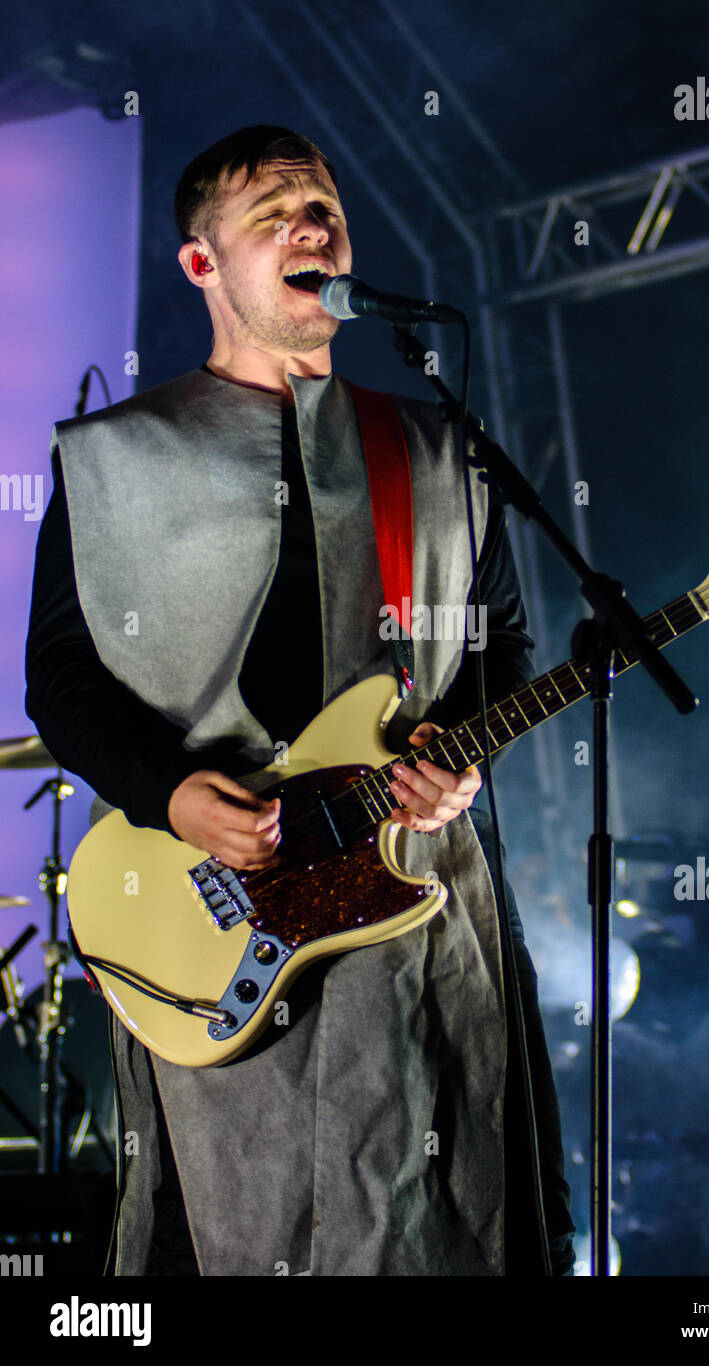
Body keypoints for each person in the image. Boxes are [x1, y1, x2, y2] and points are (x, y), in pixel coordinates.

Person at [25, 125, 574, 1275]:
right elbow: (62, 681)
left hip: (414, 897)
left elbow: (501, 643)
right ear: (201, 266)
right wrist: (170, 795)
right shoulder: (113, 459)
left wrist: (460, 754)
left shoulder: (438, 448)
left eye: (321, 204)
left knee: (437, 1224)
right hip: (223, 907)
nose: (308, 224)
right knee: (246, 1223)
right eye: (271, 211)